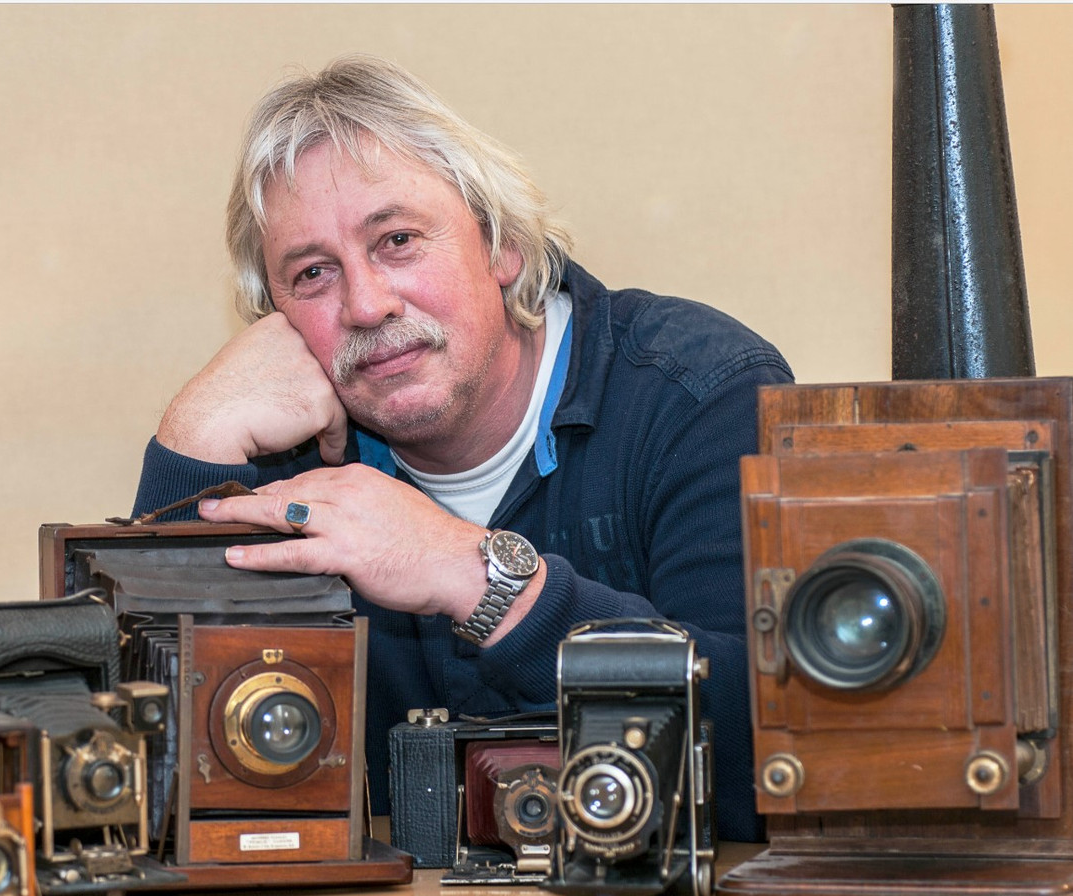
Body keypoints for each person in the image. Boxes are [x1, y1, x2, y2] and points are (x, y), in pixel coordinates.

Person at [132, 54, 792, 843]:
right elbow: (149, 791)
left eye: (399, 240)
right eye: (313, 274)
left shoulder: (699, 395)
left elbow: (779, 754)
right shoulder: (286, 458)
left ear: (504, 246)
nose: (368, 305)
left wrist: (479, 580)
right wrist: (193, 442)